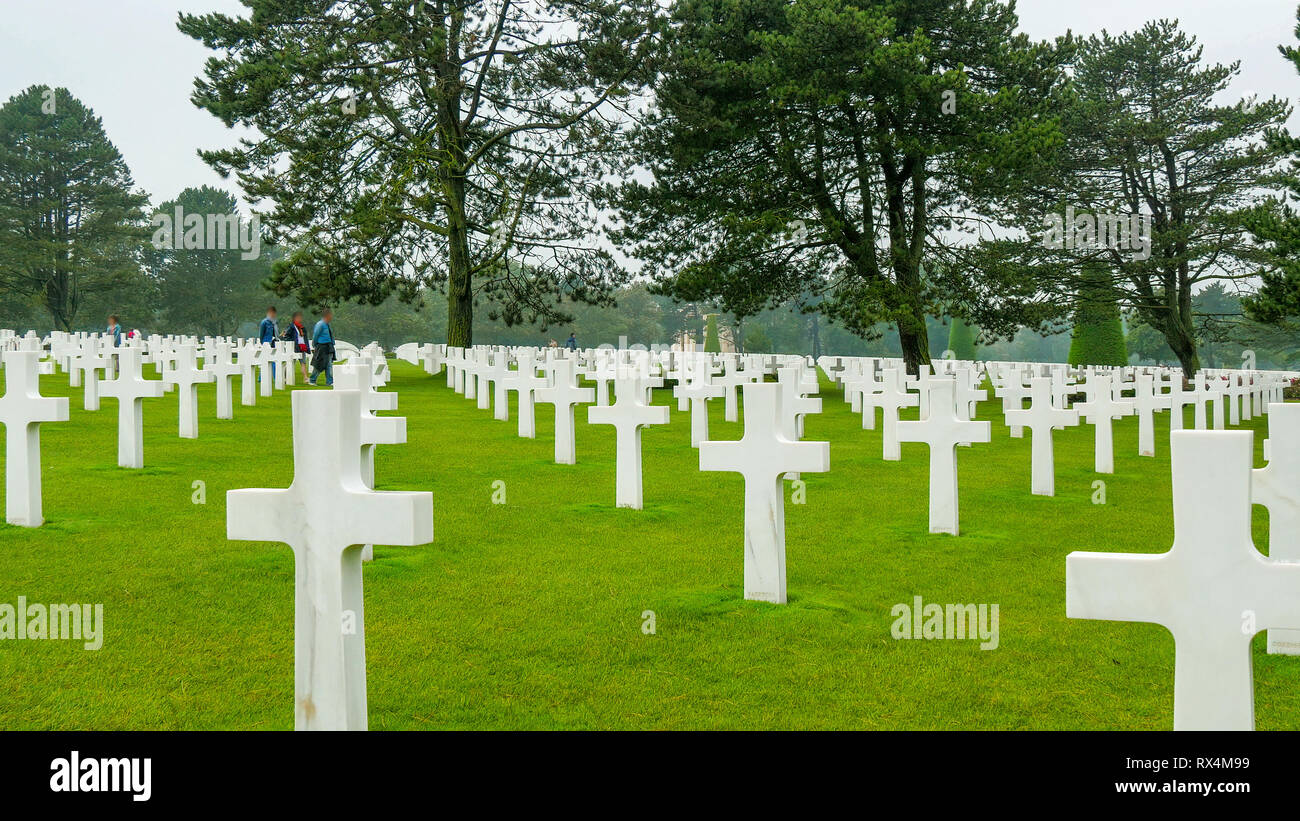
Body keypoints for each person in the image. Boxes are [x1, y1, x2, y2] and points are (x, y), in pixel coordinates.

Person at [282, 311, 311, 383]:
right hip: (294, 348)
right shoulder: (291, 327)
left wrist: (307, 347)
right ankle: (284, 377)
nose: (300, 318)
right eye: (298, 317)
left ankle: (305, 378)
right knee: (290, 363)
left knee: (303, 363)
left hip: (302, 347)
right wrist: (291, 343)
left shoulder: (302, 327)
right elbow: (285, 336)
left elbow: (305, 338)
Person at [310, 308, 336, 386]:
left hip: (328, 346)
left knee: (329, 365)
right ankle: (312, 380)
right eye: (330, 315)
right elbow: (316, 335)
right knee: (319, 364)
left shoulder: (327, 324)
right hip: (322, 347)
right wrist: (314, 345)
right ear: (327, 315)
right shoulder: (320, 324)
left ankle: (330, 381)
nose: (331, 317)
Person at [258, 306, 278, 380]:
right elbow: (261, 334)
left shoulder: (275, 322)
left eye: (274, 313)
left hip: (274, 342)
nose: (273, 314)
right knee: (265, 360)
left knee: (274, 360)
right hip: (266, 343)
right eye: (271, 312)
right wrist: (263, 343)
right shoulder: (264, 322)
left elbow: (275, 333)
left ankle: (275, 377)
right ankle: (261, 378)